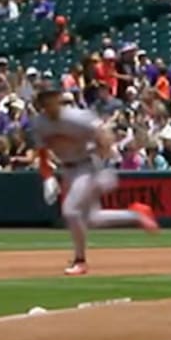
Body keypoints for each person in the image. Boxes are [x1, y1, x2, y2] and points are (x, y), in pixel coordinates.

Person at [29, 86, 160, 275]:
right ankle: (136, 215)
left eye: (53, 97)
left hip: (88, 165)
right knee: (93, 218)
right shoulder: (40, 124)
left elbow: (103, 132)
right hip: (68, 169)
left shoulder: (76, 117)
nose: (50, 101)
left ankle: (80, 260)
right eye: (46, 98)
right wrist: (48, 177)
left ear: (59, 98)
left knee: (71, 210)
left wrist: (105, 161)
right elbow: (42, 154)